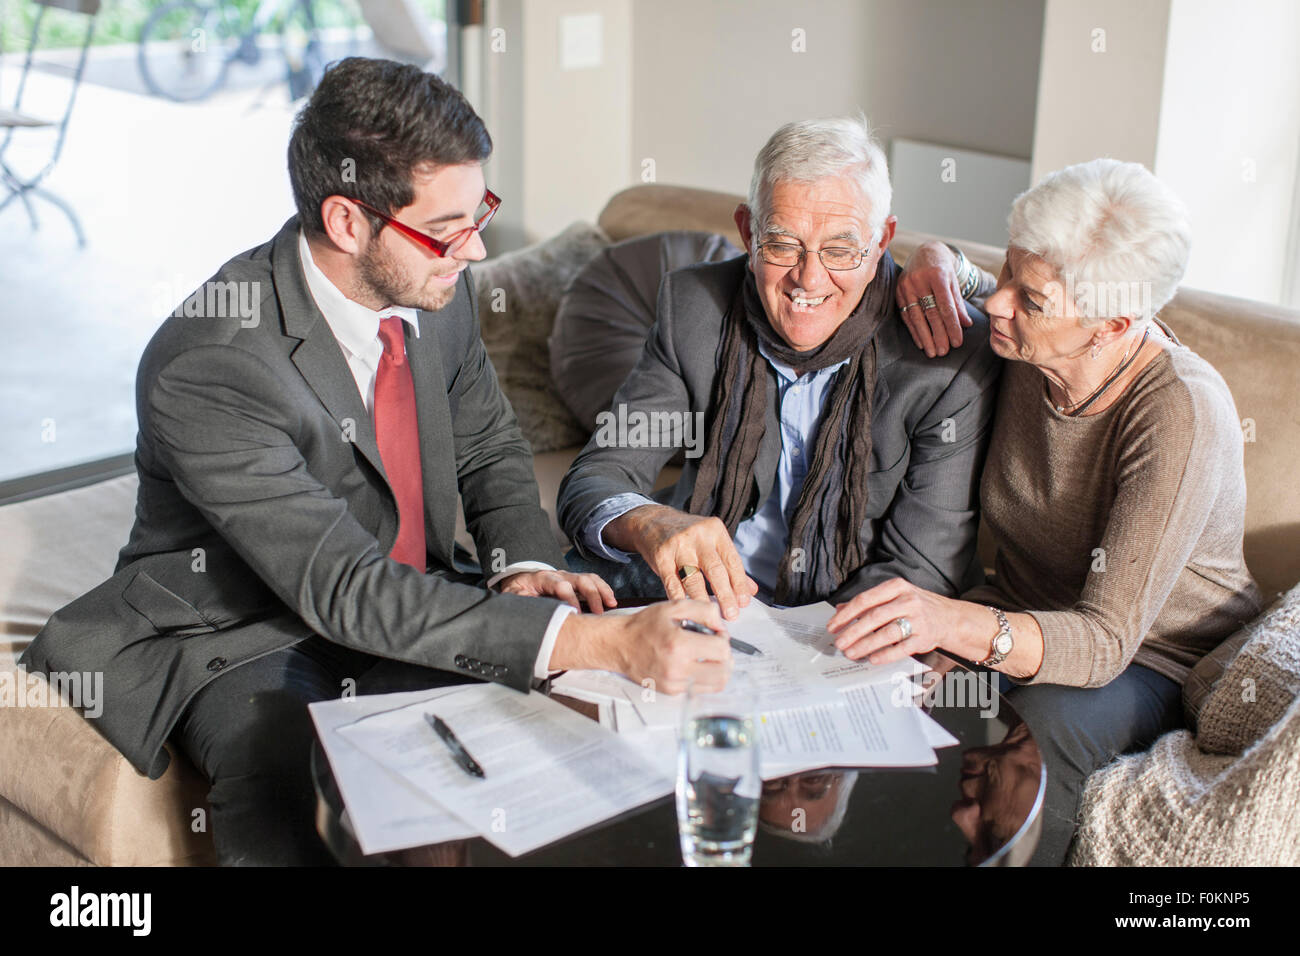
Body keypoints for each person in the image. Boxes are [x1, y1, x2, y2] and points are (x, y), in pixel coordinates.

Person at [20, 57, 730, 866]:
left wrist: (524, 563)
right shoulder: (210, 362)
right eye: (448, 226)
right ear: (349, 222)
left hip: (409, 587)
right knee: (276, 789)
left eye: (479, 211)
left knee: (553, 739)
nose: (476, 246)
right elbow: (344, 590)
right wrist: (590, 642)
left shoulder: (437, 281)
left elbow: (491, 445)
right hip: (247, 627)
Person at [825, 158, 1263, 865]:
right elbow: (957, 276)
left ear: (1112, 324)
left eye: (1029, 300)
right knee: (884, 682)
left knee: (1043, 729)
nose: (997, 305)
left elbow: (1100, 644)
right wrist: (936, 257)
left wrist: (952, 621)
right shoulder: (1026, 333)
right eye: (1007, 275)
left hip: (1149, 657)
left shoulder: (1178, 410)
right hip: (1022, 611)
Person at [558, 117, 1001, 616]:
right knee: (553, 610)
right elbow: (600, 473)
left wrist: (796, 652)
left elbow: (922, 567)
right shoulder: (693, 308)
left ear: (880, 243)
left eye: (840, 249)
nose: (808, 279)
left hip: (852, 615)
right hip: (705, 590)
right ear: (748, 232)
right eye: (782, 244)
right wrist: (648, 521)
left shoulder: (947, 355)